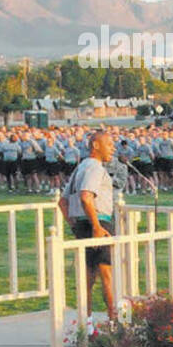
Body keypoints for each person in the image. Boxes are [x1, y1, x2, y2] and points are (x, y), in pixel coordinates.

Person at [58, 130, 118, 321]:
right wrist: (96, 226)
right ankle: (115, 322)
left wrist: (74, 225)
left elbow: (62, 202)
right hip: (98, 222)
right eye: (109, 144)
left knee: (88, 277)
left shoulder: (80, 168)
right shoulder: (95, 168)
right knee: (107, 274)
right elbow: (86, 196)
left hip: (82, 224)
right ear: (96, 145)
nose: (113, 149)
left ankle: (87, 323)